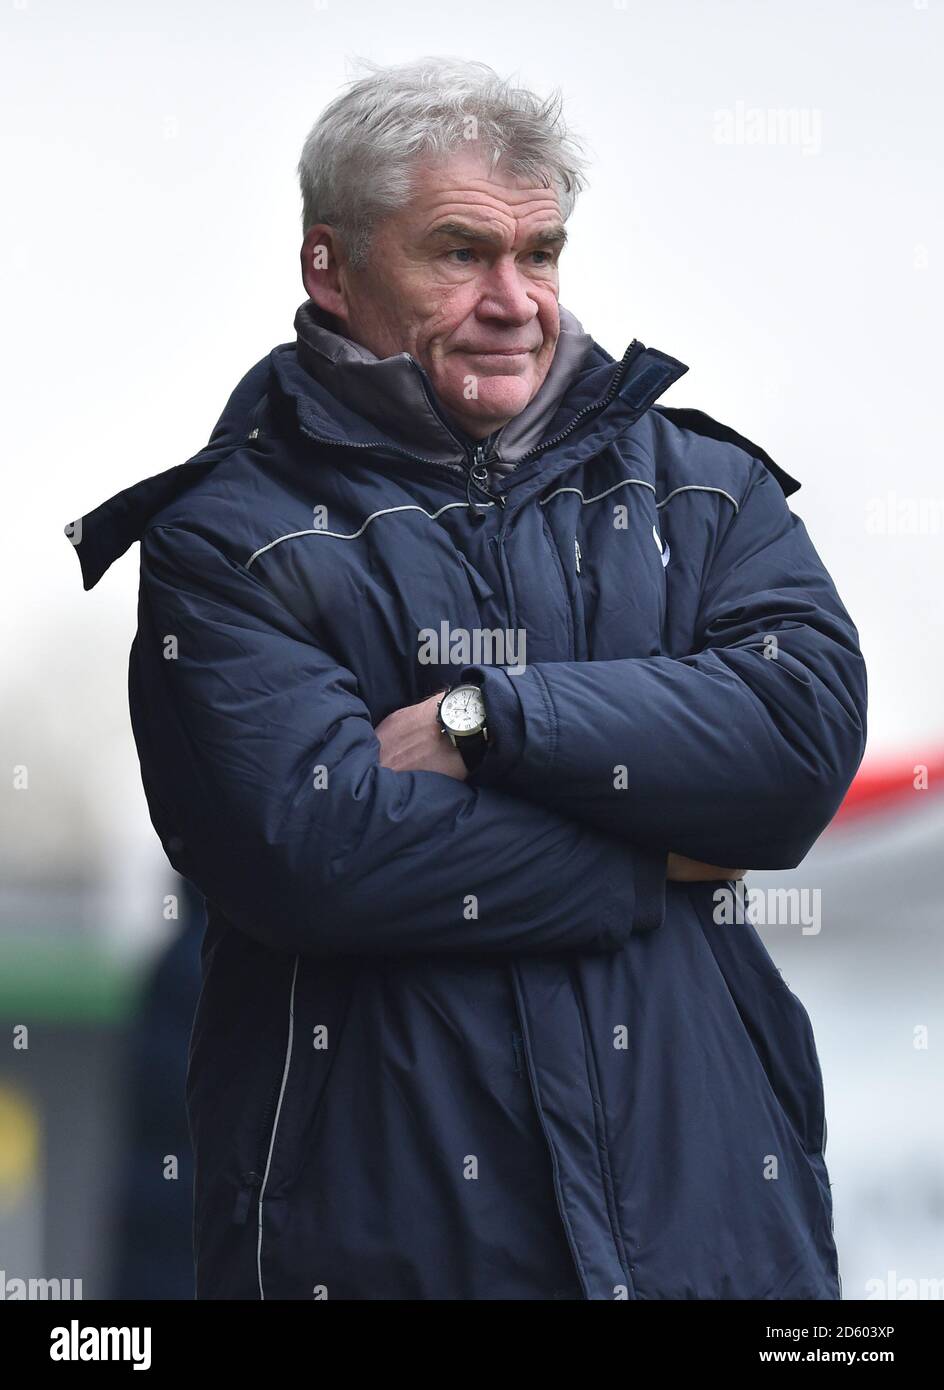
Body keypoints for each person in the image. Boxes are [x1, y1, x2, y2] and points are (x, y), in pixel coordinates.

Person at [66, 55, 867, 1300]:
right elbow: (317, 849)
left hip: (717, 1257)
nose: (514, 301)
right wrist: (655, 852)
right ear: (328, 266)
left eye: (538, 253)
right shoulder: (225, 537)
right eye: (458, 254)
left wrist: (488, 717)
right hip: (391, 1260)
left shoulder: (700, 487)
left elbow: (797, 746)